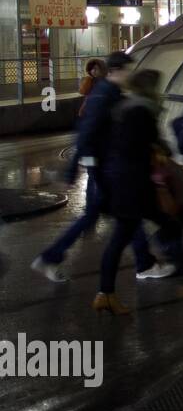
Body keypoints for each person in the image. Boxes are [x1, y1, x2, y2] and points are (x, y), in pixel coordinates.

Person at [31, 51, 166, 284]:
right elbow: (86, 132)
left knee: (105, 215)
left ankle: (50, 257)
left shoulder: (110, 93)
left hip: (106, 166)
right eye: (127, 70)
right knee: (127, 213)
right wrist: (74, 169)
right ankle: (144, 264)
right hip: (104, 168)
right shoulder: (105, 95)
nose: (130, 75)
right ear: (116, 71)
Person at [94, 69, 183, 315]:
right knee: (168, 229)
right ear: (151, 88)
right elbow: (142, 150)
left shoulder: (126, 108)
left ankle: (105, 294)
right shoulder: (141, 112)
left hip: (124, 187)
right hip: (136, 188)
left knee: (122, 240)